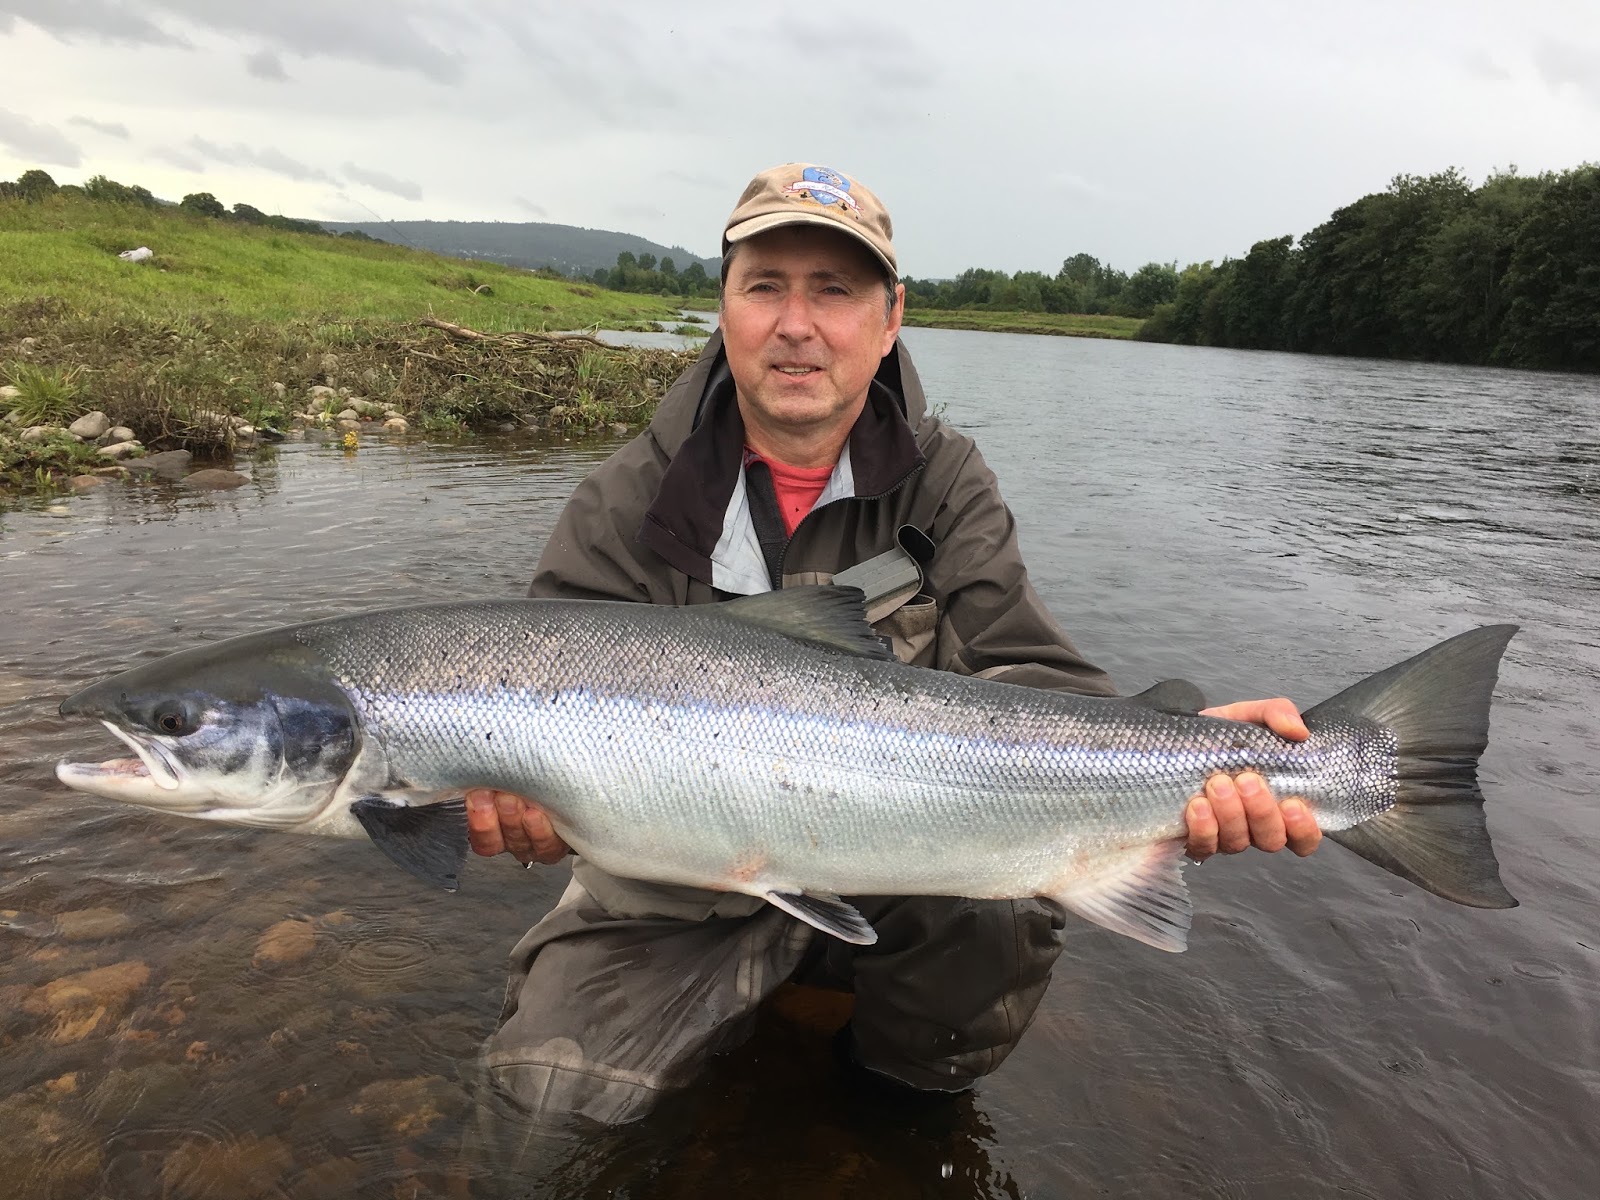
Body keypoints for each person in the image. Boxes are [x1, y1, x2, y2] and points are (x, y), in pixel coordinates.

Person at [462, 164, 1321, 1127]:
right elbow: (523, 726)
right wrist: (527, 812)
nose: (796, 324)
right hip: (671, 887)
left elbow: (1031, 673)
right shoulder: (627, 499)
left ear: (890, 318)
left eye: (834, 290)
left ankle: (885, 1115)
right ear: (724, 308)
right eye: (765, 286)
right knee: (547, 1099)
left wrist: (1193, 753)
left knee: (998, 923)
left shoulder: (944, 484)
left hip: (901, 868)